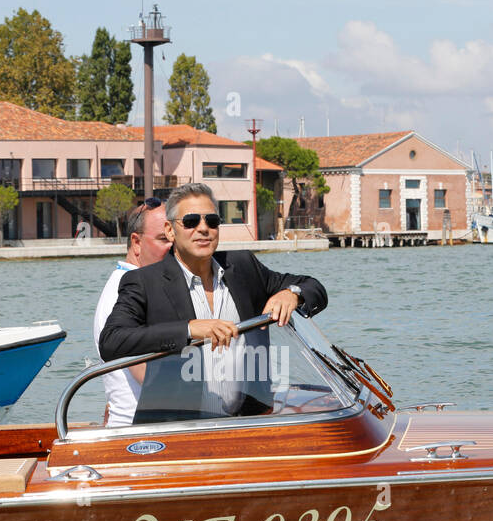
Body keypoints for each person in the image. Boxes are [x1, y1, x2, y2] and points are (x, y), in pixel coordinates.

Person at [99, 182, 327, 423]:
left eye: (212, 221)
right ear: (170, 230)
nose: (203, 228)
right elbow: (111, 341)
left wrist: (291, 293)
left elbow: (314, 288)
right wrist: (189, 329)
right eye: (191, 221)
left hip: (247, 425)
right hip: (178, 430)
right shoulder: (143, 281)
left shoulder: (243, 267)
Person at [91, 197, 172, 426]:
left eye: (175, 238)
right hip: (140, 435)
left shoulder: (135, 283)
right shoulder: (128, 293)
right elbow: (149, 377)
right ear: (136, 243)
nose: (173, 248)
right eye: (163, 239)